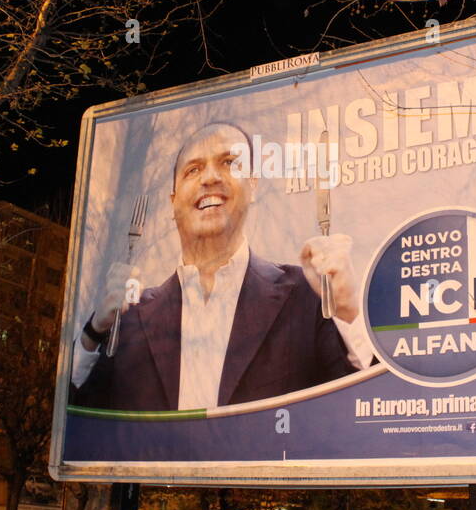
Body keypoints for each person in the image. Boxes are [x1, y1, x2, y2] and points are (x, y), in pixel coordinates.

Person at [71, 122, 375, 411]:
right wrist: (93, 332)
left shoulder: (306, 296)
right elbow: (81, 421)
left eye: (230, 162)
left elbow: (360, 408)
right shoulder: (132, 315)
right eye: (193, 169)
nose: (210, 178)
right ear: (173, 202)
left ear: (253, 186)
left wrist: (349, 312)